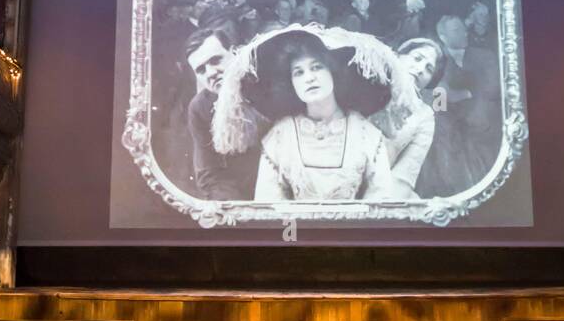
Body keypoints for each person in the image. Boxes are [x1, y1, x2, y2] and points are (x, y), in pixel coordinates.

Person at [212, 26, 417, 204]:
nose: (309, 78)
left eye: (317, 67)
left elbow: (380, 203)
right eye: (298, 72)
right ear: (291, 83)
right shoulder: (280, 136)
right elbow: (269, 206)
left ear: (334, 73)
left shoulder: (367, 135)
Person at [185, 28, 264, 200]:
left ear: (233, 52)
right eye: (201, 70)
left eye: (216, 60)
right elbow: (209, 174)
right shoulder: (200, 108)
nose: (211, 73)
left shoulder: (265, 82)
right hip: (243, 200)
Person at [426, 15, 502, 195]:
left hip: (482, 123)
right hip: (450, 126)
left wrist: (463, 93)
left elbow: (493, 89)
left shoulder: (485, 56)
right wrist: (460, 93)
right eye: (456, 30)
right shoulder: (435, 60)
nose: (464, 33)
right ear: (443, 37)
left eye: (463, 29)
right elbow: (439, 99)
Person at [375, 37, 441, 197]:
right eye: (417, 58)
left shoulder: (424, 115)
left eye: (429, 69)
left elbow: (403, 177)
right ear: (398, 56)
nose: (420, 69)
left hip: (384, 195)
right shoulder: (366, 84)